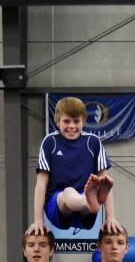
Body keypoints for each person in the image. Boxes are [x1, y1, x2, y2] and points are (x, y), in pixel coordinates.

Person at [31, 96, 120, 235]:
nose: (71, 126)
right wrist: (38, 220)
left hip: (86, 210)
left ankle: (88, 201)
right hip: (58, 205)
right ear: (58, 121)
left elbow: (105, 182)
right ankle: (89, 201)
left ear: (83, 121)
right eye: (66, 121)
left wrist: (110, 217)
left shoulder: (93, 142)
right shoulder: (50, 142)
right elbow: (41, 183)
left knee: (92, 190)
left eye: (76, 121)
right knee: (68, 192)